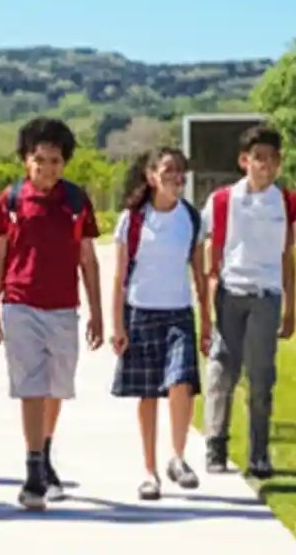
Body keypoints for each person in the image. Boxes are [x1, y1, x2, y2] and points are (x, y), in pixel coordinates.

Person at [0, 117, 104, 511]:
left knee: (56, 387)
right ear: (25, 161)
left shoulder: (75, 201)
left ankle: (44, 449)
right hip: (20, 304)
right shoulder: (12, 201)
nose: (47, 168)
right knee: (30, 386)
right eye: (39, 160)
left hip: (64, 307)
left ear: (65, 163)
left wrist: (98, 313)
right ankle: (33, 470)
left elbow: (88, 259)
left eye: (55, 160)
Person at [109, 147, 210, 500]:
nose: (176, 177)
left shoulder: (191, 219)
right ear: (151, 176)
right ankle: (149, 471)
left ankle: (178, 457)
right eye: (168, 170)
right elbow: (120, 276)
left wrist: (208, 323)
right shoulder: (133, 220)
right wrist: (117, 325)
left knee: (181, 381)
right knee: (148, 394)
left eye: (181, 171)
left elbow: (200, 274)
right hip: (140, 312)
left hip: (179, 313)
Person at [201, 125, 296, 480]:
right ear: (244, 161)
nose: (267, 166)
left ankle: (259, 452)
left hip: (266, 297)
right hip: (230, 294)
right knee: (221, 371)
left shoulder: (286, 203)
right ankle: (216, 444)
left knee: (261, 378)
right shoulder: (222, 201)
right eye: (259, 158)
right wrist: (209, 305)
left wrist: (290, 307)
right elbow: (209, 253)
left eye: (273, 159)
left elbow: (288, 257)